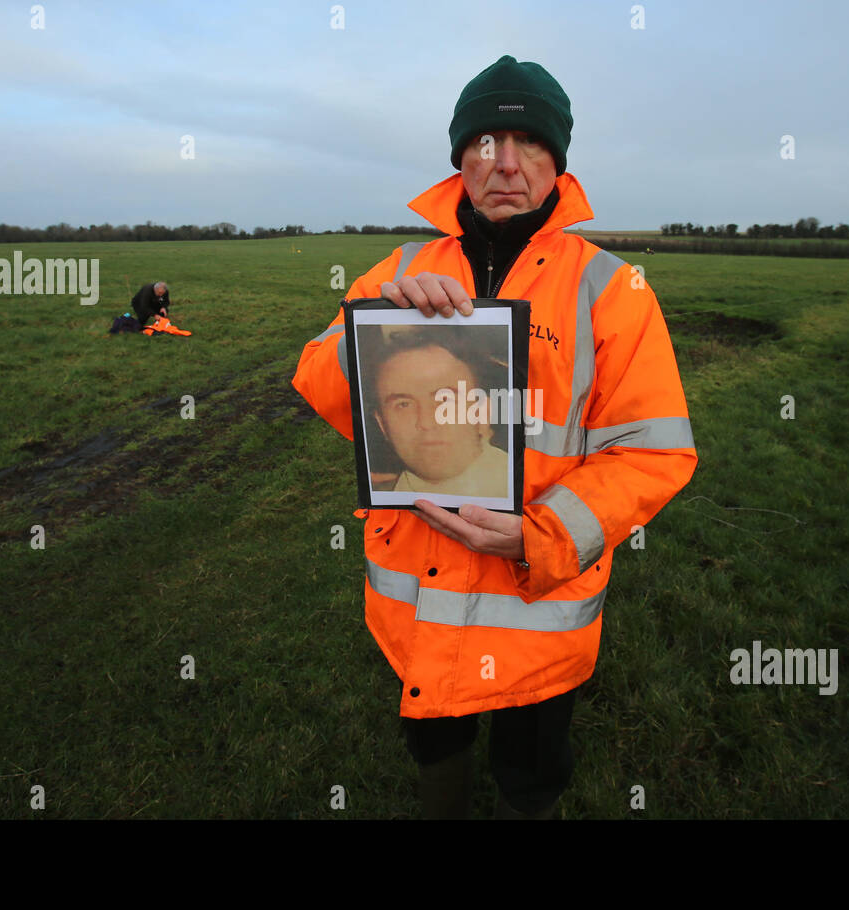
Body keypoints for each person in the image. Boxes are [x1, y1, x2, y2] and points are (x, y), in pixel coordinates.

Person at [292, 54, 698, 819]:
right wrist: (370, 326)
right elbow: (320, 384)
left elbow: (654, 449)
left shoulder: (611, 289)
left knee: (532, 768)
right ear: (459, 160)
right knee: (435, 743)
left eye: (529, 143)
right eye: (485, 142)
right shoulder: (401, 267)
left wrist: (539, 536)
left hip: (537, 607)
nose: (504, 163)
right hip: (419, 593)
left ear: (558, 161)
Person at [364, 328, 510, 499]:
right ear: (382, 425)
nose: (426, 422)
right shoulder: (381, 497)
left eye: (445, 400)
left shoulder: (524, 492)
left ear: (482, 413)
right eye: (403, 405)